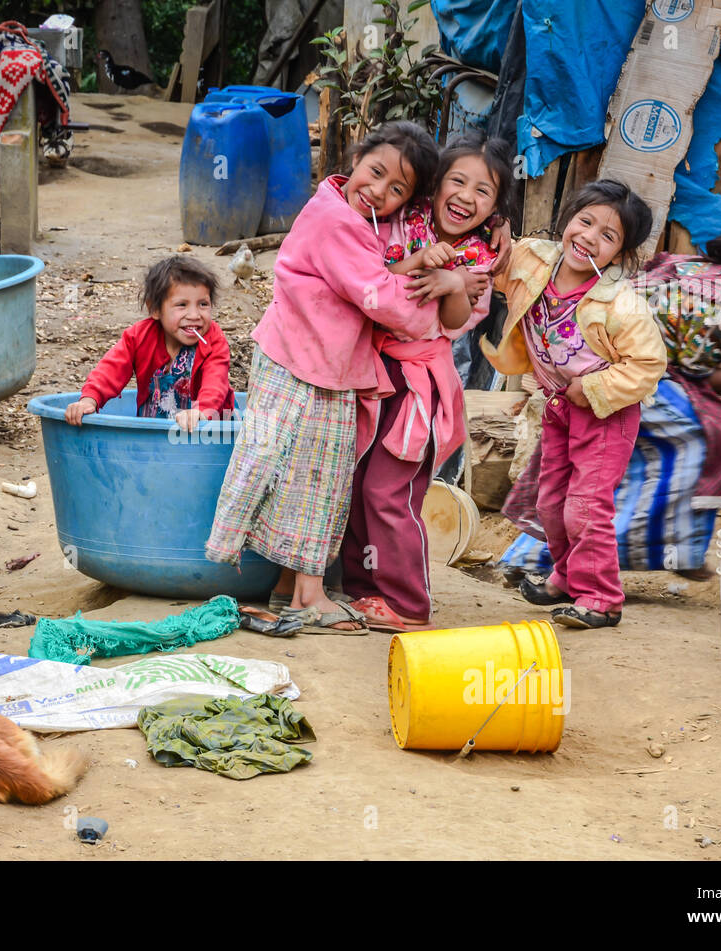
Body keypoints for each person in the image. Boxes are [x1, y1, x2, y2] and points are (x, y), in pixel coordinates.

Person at [205, 121, 453, 634]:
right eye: (375, 172)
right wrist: (441, 312)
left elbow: (378, 273)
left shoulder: (349, 213)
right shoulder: (336, 221)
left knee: (306, 477)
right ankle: (311, 596)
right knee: (316, 481)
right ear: (354, 158)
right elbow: (381, 298)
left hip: (317, 365)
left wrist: (416, 261)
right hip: (307, 366)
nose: (379, 191)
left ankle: (289, 589)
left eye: (396, 190)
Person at [499, 213, 721, 582]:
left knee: (607, 472)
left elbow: (694, 378)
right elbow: (688, 380)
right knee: (701, 435)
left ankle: (532, 557)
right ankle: (662, 548)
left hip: (595, 365)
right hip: (607, 380)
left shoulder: (713, 273)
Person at [342, 133, 516, 631]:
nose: (466, 197)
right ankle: (361, 587)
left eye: (484, 193)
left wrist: (455, 284)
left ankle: (407, 602)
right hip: (374, 370)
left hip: (419, 382)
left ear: (495, 207)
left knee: (389, 489)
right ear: (434, 185)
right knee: (357, 481)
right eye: (457, 182)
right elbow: (379, 270)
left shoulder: (480, 257)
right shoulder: (404, 216)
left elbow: (457, 323)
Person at [482, 179, 665, 629]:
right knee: (550, 504)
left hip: (606, 416)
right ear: (567, 220)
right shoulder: (534, 260)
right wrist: (498, 224)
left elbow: (649, 363)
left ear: (620, 255)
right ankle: (566, 576)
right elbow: (494, 258)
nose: (589, 238)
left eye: (608, 236)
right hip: (561, 407)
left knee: (584, 507)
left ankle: (602, 598)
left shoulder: (621, 304)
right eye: (585, 222)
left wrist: (594, 388)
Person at [66, 255, 233, 433]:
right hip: (155, 430)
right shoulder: (139, 336)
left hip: (210, 431)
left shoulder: (213, 339)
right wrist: (89, 399)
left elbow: (215, 382)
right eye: (182, 305)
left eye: (203, 304)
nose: (194, 314)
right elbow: (110, 369)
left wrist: (201, 412)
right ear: (154, 309)